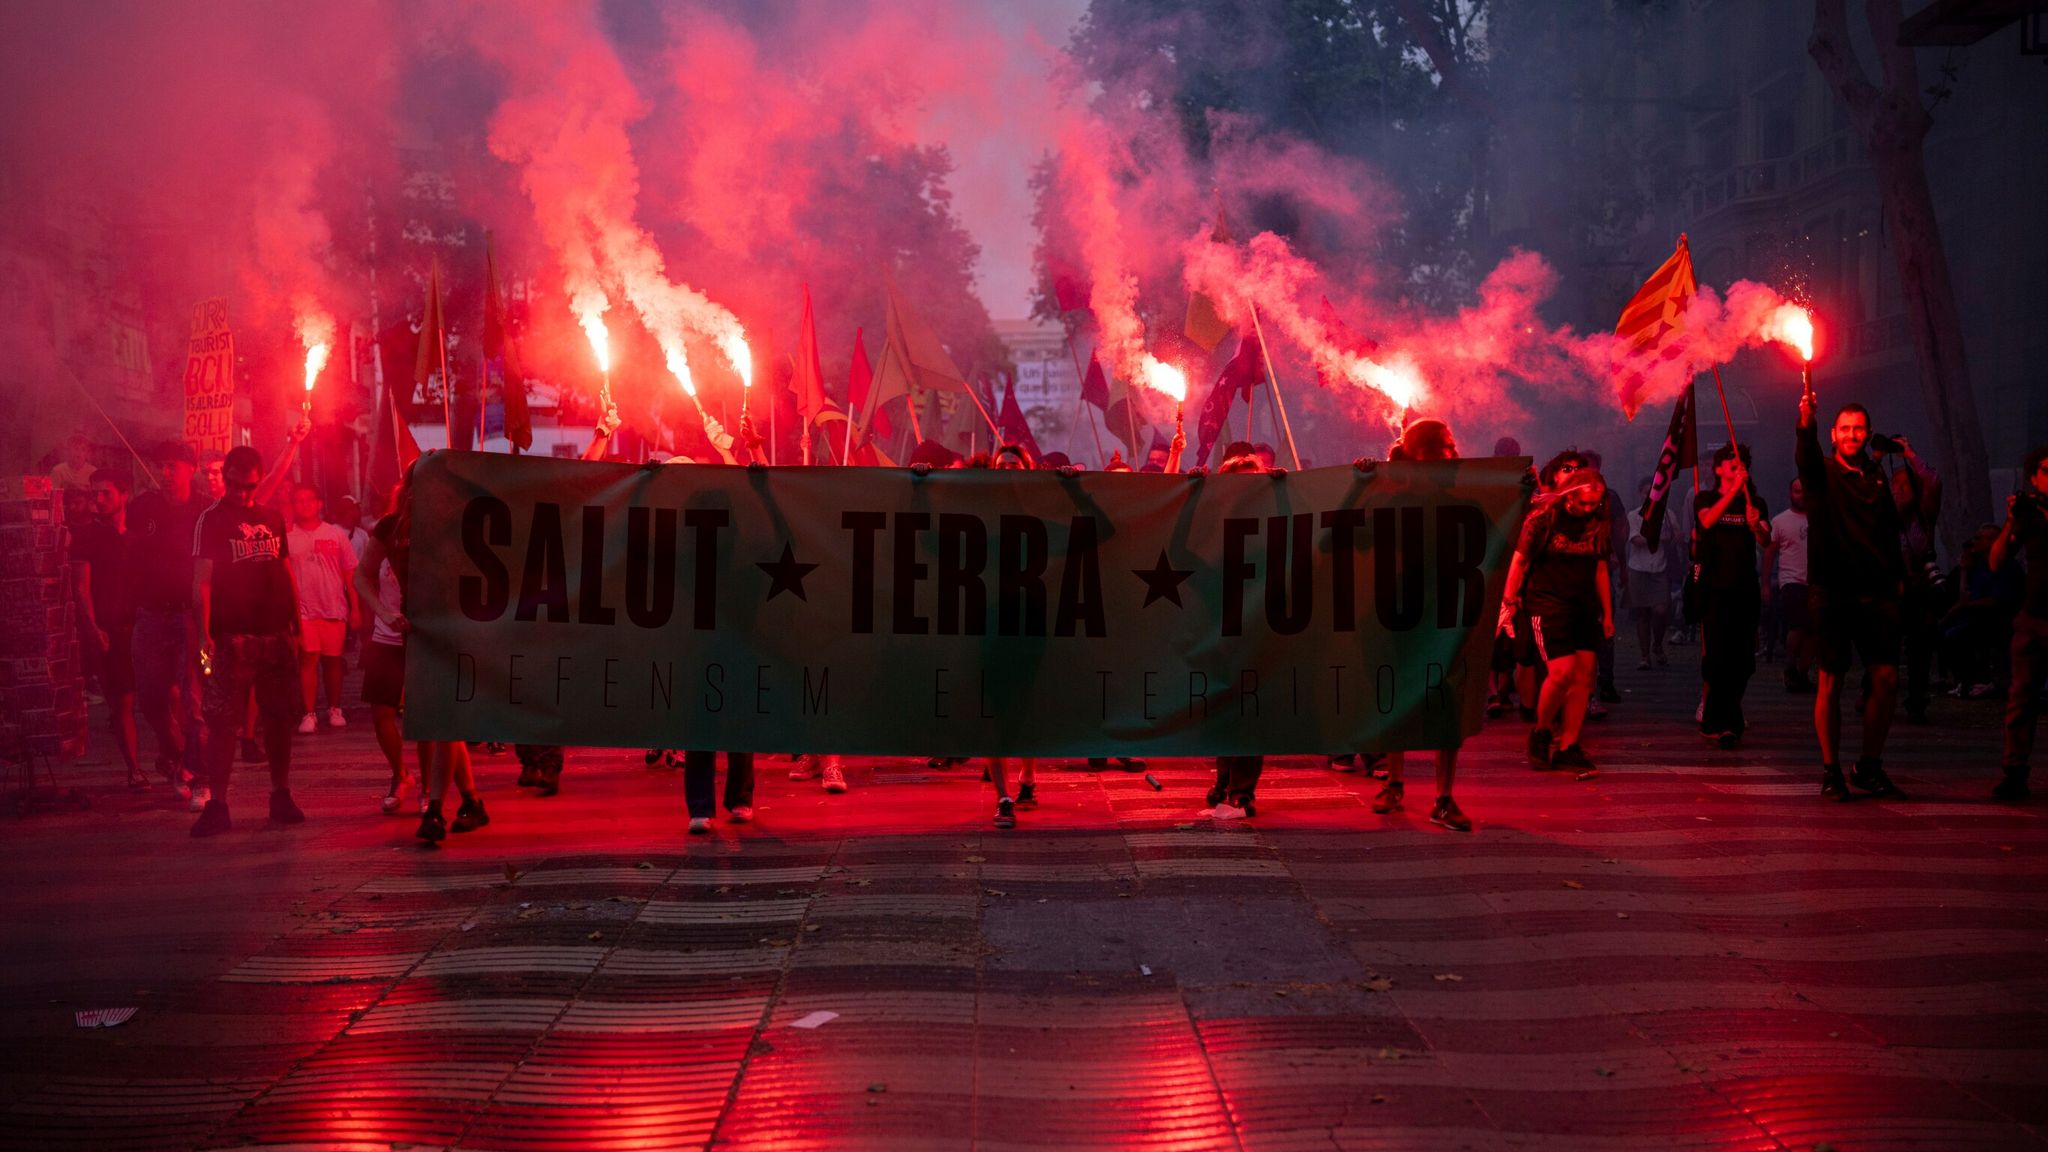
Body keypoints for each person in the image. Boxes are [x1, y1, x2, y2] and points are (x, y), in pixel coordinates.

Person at [357, 465, 489, 841]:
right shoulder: (391, 526)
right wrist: (384, 613)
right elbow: (362, 575)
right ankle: (472, 802)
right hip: (410, 634)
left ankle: (434, 811)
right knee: (439, 722)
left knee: (443, 722)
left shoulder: (459, 522)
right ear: (410, 486)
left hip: (450, 632)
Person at [189, 446, 305, 836]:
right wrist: (204, 632)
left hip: (274, 632)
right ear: (228, 480)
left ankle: (281, 793)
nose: (243, 494)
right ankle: (218, 802)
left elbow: (285, 570)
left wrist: (296, 622)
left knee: (278, 719)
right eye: (237, 486)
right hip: (231, 634)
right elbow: (202, 579)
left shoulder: (272, 518)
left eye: (250, 487)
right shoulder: (212, 519)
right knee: (222, 722)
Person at [1363, 418, 1472, 831]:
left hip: (1446, 613)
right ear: (1424, 454)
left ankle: (1444, 797)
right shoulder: (1392, 502)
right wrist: (1360, 485)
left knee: (1446, 702)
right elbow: (1345, 540)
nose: (1454, 452)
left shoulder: (1466, 501)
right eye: (1446, 444)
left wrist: (1518, 490)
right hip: (1401, 609)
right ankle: (1394, 783)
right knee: (1398, 697)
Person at [1796, 394, 1906, 799]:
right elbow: (1805, 455)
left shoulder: (1877, 476)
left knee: (1887, 677)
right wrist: (1805, 422)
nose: (1852, 435)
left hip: (1876, 593)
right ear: (1833, 434)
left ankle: (1869, 765)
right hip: (1832, 592)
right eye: (1845, 428)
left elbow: (1890, 533)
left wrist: (1897, 580)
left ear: (1868, 433)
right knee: (1831, 680)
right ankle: (1831, 770)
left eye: (1859, 428)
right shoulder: (1820, 474)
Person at [1498, 466, 1613, 778]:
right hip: (1548, 603)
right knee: (1561, 673)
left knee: (1585, 677)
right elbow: (1520, 560)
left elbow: (1600, 568)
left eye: (1596, 503)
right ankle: (1542, 730)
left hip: (1584, 606)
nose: (1590, 508)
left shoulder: (1599, 520)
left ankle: (1569, 747)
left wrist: (1608, 614)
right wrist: (1509, 600)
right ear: (1569, 495)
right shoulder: (1544, 518)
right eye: (1585, 502)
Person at [127, 440, 210, 804]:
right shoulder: (142, 507)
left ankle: (200, 776)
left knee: (194, 701)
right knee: (149, 698)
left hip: (190, 615)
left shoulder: (206, 509)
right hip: (151, 613)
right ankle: (177, 754)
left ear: (190, 468)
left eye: (172, 465)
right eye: (160, 465)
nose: (164, 472)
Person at [1204, 445, 1276, 818]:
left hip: (1260, 626)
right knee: (1226, 706)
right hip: (1221, 627)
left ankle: (1243, 789)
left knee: (1250, 707)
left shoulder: (1271, 519)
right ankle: (1225, 777)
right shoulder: (1214, 521)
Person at [1693, 444, 1770, 747]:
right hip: (1715, 589)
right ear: (1719, 469)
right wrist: (1733, 491)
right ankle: (1726, 722)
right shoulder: (1706, 498)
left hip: (1744, 588)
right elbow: (1707, 521)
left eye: (1743, 464)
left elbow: (1766, 538)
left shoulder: (1755, 502)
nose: (1738, 468)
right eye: (1732, 463)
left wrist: (1756, 526)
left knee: (1742, 660)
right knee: (1717, 657)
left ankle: (1723, 718)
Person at [72, 468, 140, 787]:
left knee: (168, 693)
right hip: (110, 630)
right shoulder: (87, 537)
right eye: (94, 493)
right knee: (121, 701)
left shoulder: (140, 533)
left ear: (123, 495)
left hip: (145, 625)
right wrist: (93, 627)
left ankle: (175, 758)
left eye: (105, 493)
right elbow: (82, 587)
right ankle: (135, 770)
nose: (98, 500)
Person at [1988, 446, 2048, 801]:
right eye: (2046, 469)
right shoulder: (2029, 516)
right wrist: (2012, 519)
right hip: (2034, 617)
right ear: (2034, 478)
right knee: (2021, 697)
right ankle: (2014, 771)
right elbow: (1996, 562)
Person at [285, 484, 358, 734]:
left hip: (333, 607)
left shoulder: (335, 534)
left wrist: (355, 608)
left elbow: (350, 573)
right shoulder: (288, 536)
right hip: (303, 611)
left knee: (333, 661)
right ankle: (309, 713)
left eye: (308, 500)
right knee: (308, 659)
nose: (304, 505)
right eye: (298, 501)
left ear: (319, 504)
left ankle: (335, 708)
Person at [1890, 441, 1944, 722]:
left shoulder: (1923, 517)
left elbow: (1933, 481)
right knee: (1884, 644)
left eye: (1904, 485)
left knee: (1919, 646)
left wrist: (1909, 454)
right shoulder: (1884, 517)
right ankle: (1874, 692)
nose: (1898, 490)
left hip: (1918, 588)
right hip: (1889, 589)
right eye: (1894, 485)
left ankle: (1917, 699)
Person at [1941, 524, 2019, 698]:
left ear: (1993, 542)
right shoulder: (1978, 566)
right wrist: (1963, 571)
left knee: (1956, 635)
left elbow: (1996, 600)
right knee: (1947, 633)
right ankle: (1968, 679)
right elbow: (1965, 596)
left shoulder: (2005, 567)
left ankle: (1979, 680)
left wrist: (1963, 607)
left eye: (1979, 538)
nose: (1973, 541)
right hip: (1975, 617)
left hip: (1997, 621)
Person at [1581, 450, 1627, 708]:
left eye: (1594, 467)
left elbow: (1620, 529)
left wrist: (1620, 562)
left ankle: (1606, 681)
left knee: (1604, 626)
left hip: (1600, 567)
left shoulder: (1609, 497)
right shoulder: (1568, 498)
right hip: (1576, 572)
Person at [1766, 478, 1814, 693]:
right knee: (1798, 626)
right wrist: (1765, 583)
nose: (1800, 495)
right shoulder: (1780, 521)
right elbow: (1769, 553)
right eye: (1796, 491)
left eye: (1804, 491)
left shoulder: (1819, 519)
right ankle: (1790, 667)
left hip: (1815, 581)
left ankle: (1802, 673)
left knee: (1812, 630)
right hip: (1791, 581)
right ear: (1790, 493)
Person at [1624, 479, 1670, 672]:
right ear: (1639, 494)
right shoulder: (1633, 515)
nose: (1647, 496)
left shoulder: (1667, 515)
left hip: (1659, 568)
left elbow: (1674, 536)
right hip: (1638, 568)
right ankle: (1644, 656)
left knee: (1661, 611)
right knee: (1642, 613)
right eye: (1644, 493)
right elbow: (1635, 540)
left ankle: (1657, 643)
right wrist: (1657, 538)